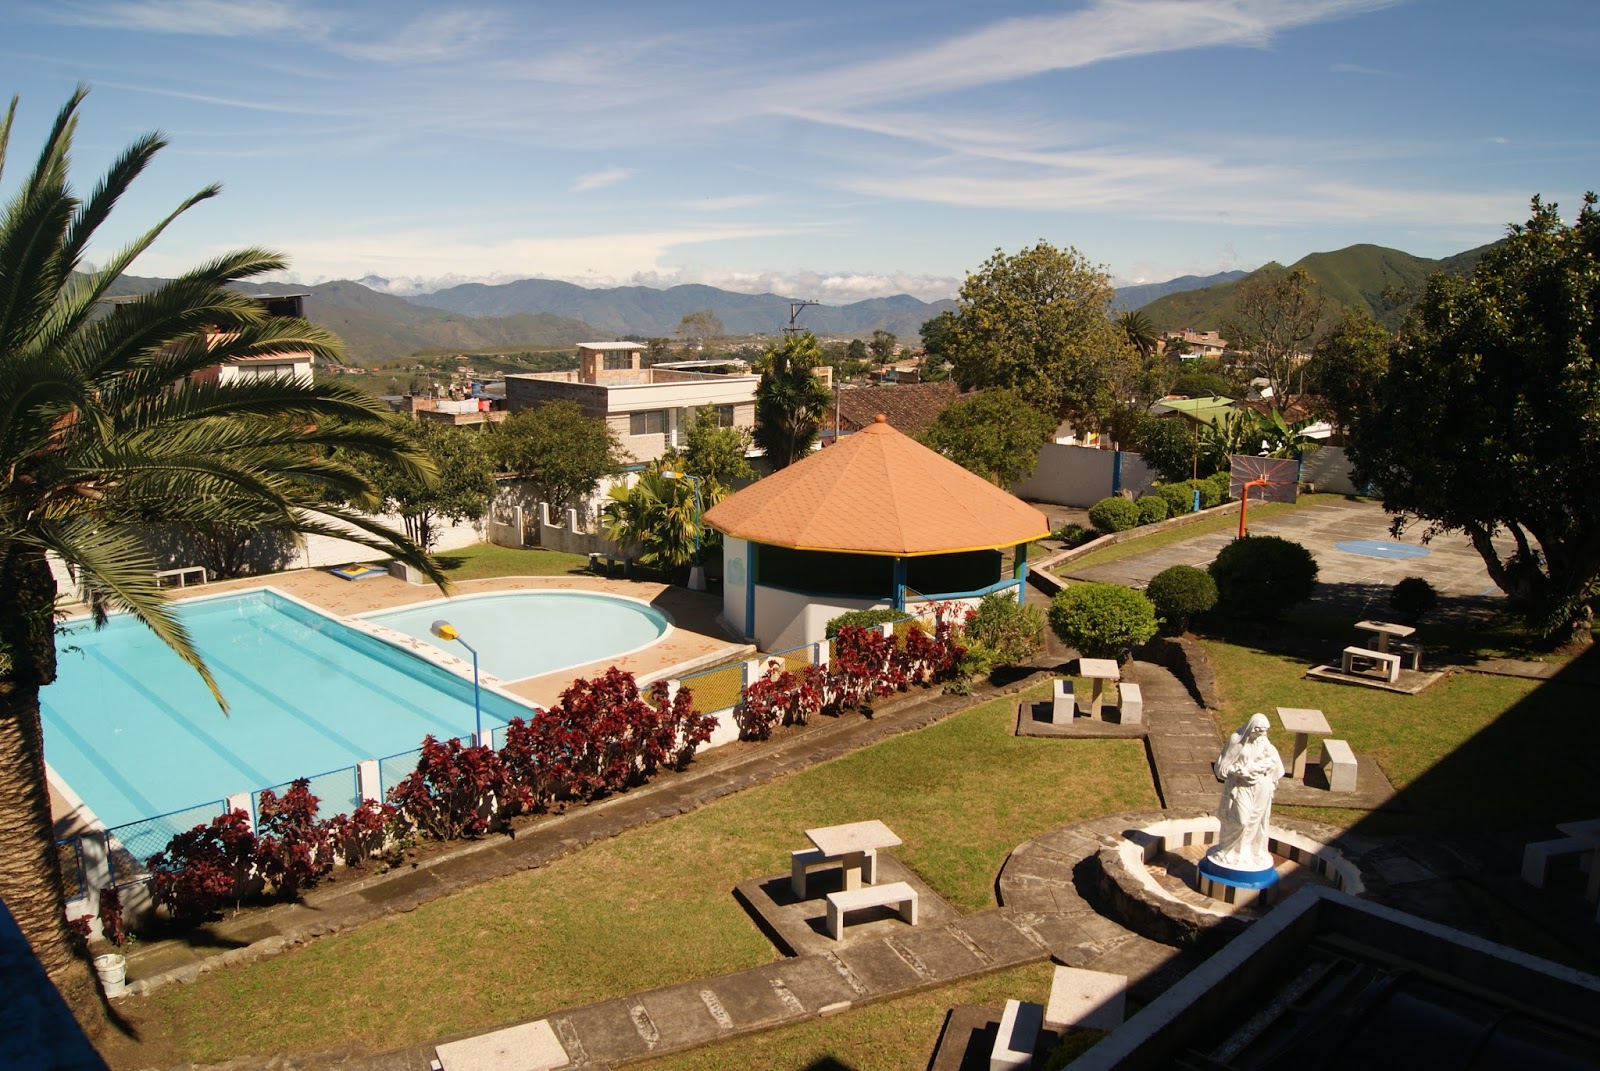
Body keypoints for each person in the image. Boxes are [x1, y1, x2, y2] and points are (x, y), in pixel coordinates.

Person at [1208, 713, 1284, 872]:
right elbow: (1221, 768)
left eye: (1265, 731)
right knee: (1241, 820)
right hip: (1241, 786)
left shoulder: (1263, 741)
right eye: (1260, 730)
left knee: (1254, 822)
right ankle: (1228, 850)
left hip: (1261, 786)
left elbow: (1275, 761)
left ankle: (1245, 852)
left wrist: (1265, 767)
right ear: (1252, 728)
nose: (1264, 734)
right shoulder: (1236, 740)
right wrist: (1237, 772)